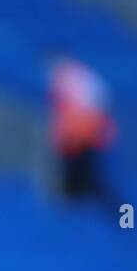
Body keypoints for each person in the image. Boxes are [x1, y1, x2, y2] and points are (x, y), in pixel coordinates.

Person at [47, 50, 118, 206]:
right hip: (71, 142)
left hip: (85, 141)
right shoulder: (59, 82)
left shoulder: (82, 79)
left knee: (89, 181)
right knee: (71, 184)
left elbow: (99, 108)